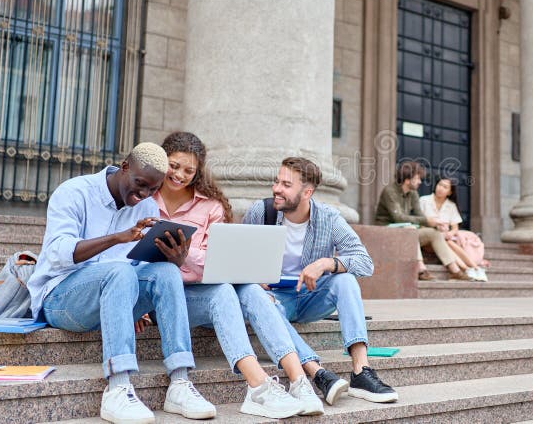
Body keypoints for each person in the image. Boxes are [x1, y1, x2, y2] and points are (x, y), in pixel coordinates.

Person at [27, 142, 216, 424]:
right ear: (124, 166)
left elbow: (141, 270)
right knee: (119, 272)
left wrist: (174, 260)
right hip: (60, 299)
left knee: (165, 272)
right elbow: (58, 254)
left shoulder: (147, 206)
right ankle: (118, 387)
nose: (144, 195)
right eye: (140, 184)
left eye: (153, 189)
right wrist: (116, 238)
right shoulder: (75, 192)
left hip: (115, 294)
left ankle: (179, 382)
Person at [148, 132, 321, 418]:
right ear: (163, 161)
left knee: (251, 289)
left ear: (198, 172)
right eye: (174, 166)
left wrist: (189, 256)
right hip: (159, 297)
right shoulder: (144, 198)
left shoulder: (210, 206)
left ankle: (299, 381)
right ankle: (258, 386)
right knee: (225, 290)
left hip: (198, 295)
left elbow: (217, 261)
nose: (179, 175)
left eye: (189, 170)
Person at [243, 157, 399, 404]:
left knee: (345, 280)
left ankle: (361, 371)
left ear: (307, 192)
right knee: (259, 297)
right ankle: (318, 373)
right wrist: (252, 276)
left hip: (310, 297)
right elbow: (240, 258)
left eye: (286, 184)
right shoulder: (261, 212)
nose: (276, 189)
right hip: (272, 300)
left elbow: (365, 262)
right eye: (276, 181)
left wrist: (328, 263)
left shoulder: (329, 217)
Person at [375, 160, 469, 281]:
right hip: (386, 229)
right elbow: (398, 218)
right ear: (408, 179)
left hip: (405, 230)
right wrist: (428, 221)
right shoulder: (389, 191)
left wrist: (436, 225)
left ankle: (454, 270)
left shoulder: (413, 193)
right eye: (417, 178)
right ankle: (421, 269)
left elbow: (420, 216)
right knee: (410, 229)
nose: (420, 182)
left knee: (433, 233)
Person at [419, 176, 488, 282]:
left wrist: (450, 234)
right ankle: (470, 269)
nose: (440, 188)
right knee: (447, 242)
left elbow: (455, 228)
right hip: (428, 238)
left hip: (445, 239)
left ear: (450, 192)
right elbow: (418, 222)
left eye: (445, 187)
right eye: (439, 185)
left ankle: (473, 269)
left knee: (448, 242)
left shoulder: (451, 205)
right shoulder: (423, 200)